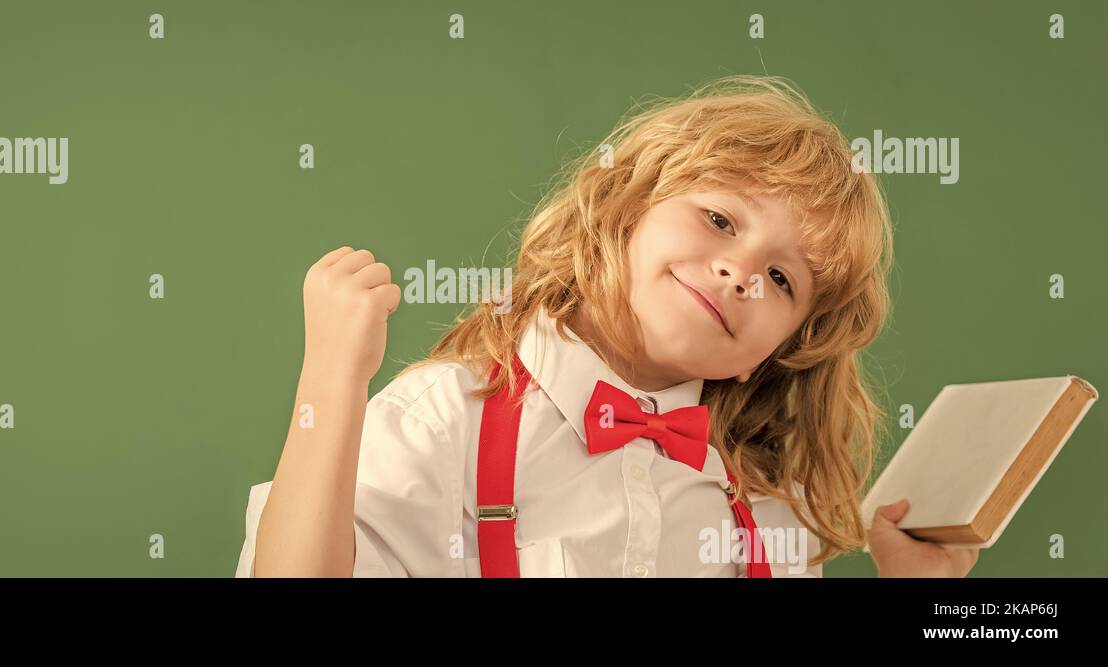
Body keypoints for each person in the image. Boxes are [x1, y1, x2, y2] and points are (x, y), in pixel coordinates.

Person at [238, 75, 980, 578]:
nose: (740, 272)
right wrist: (331, 379)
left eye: (782, 279)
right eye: (719, 218)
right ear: (627, 208)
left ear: (776, 351)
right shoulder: (443, 418)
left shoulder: (764, 511)